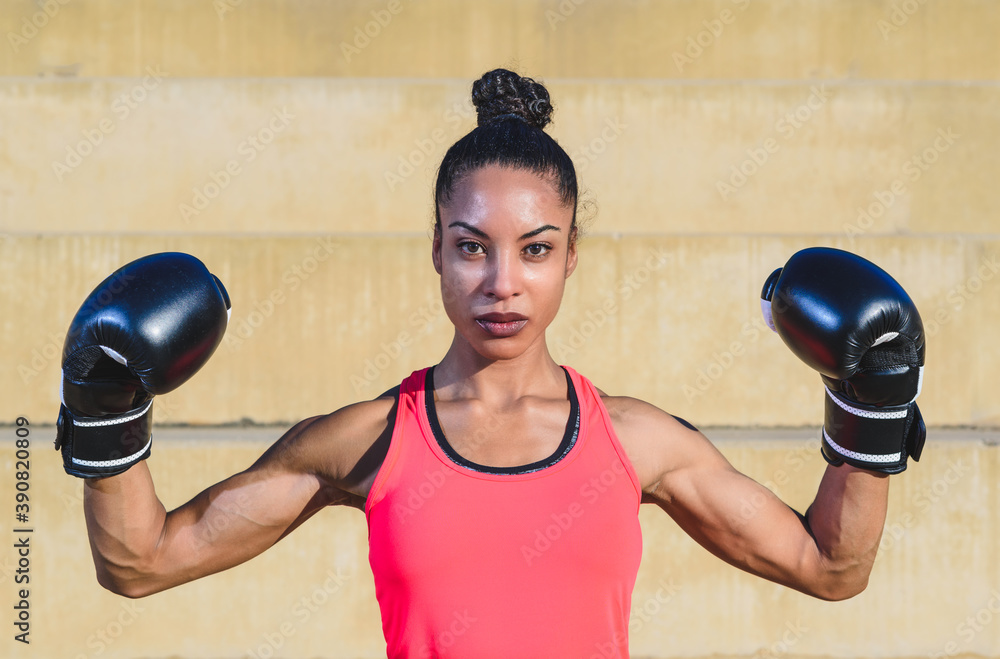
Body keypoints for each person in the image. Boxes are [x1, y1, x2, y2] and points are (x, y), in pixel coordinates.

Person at [55, 69, 925, 658]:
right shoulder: (366, 440)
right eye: (472, 248)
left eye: (535, 249)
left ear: (572, 254)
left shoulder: (637, 442)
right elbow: (142, 561)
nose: (502, 283)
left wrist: (869, 410)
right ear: (435, 248)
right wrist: (106, 413)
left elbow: (830, 566)